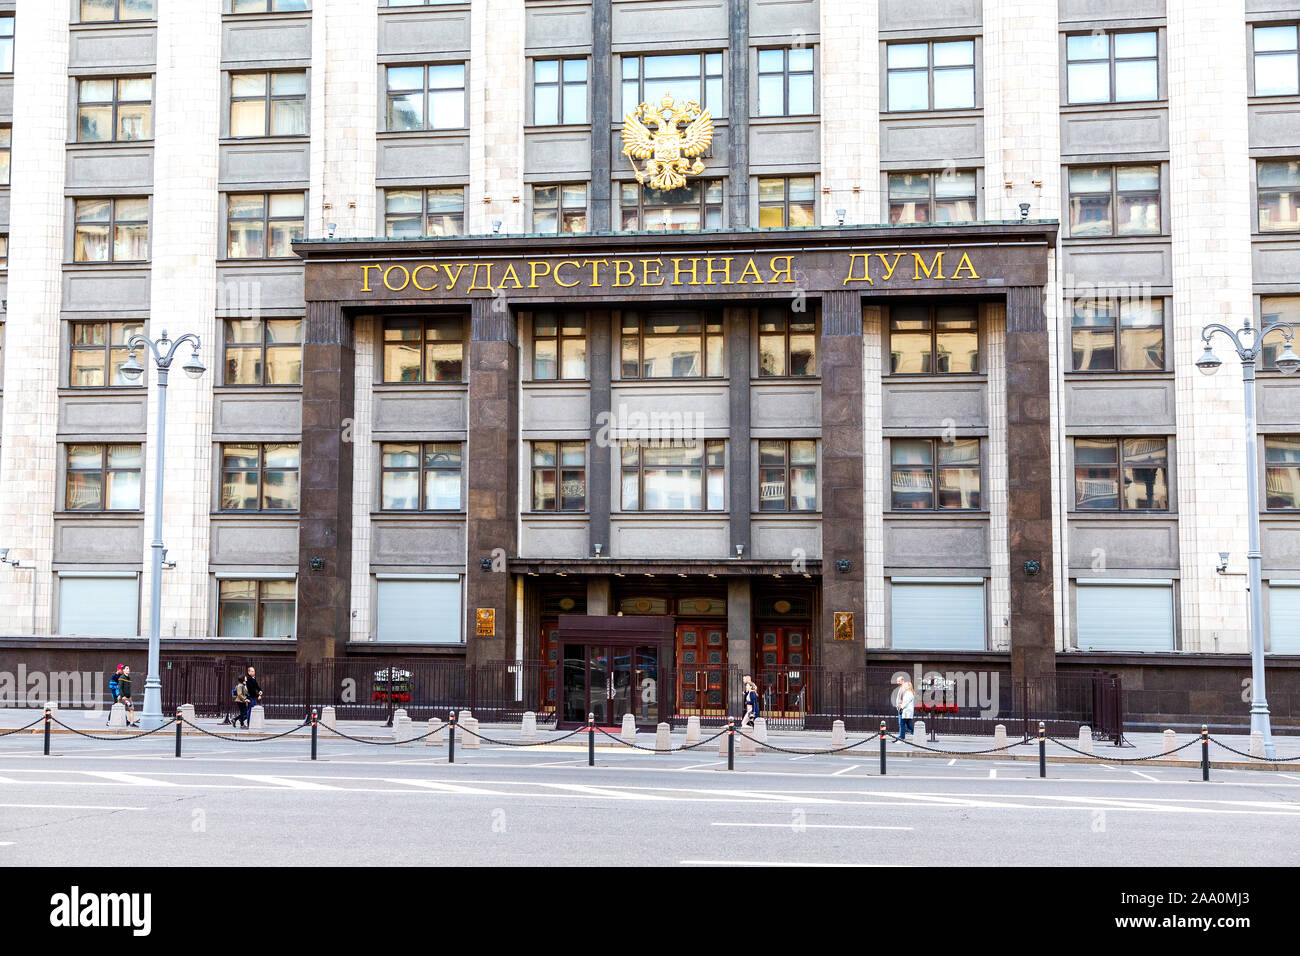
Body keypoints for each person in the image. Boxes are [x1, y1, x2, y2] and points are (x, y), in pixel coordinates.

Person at [896, 676, 915, 741]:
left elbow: (905, 702)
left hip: (905, 711)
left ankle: (902, 737)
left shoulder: (909, 693)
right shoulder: (907, 692)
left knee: (903, 724)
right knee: (907, 725)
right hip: (904, 711)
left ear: (909, 686)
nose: (905, 686)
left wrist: (901, 706)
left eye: (906, 685)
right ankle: (916, 735)